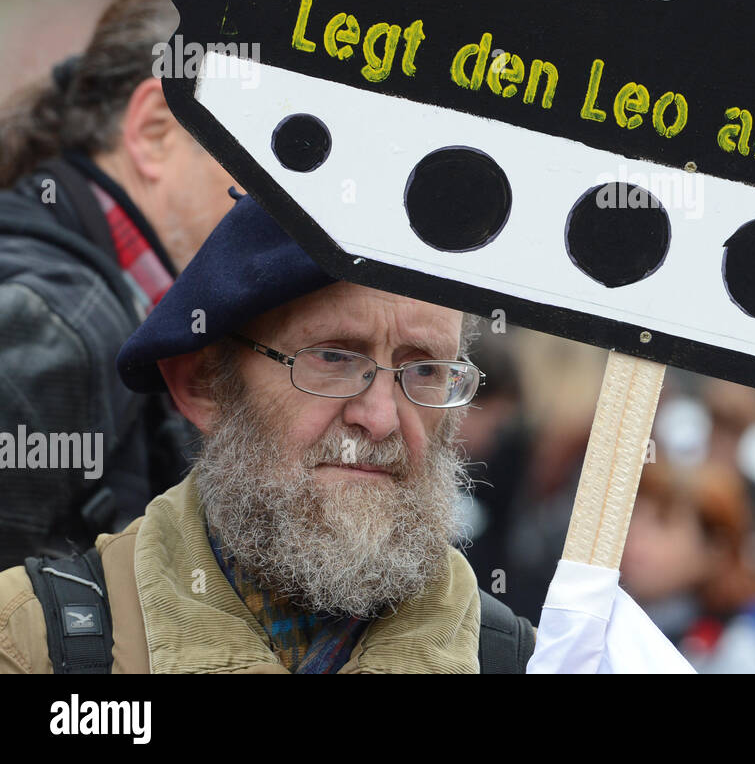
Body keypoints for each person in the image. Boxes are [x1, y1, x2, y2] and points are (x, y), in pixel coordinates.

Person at [0, 191, 538, 673]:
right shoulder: (35, 644)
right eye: (333, 357)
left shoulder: (536, 663)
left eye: (424, 370)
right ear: (206, 384)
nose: (380, 418)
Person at [0, 0, 239, 567]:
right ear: (154, 130)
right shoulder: (56, 333)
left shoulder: (100, 309)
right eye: (265, 153)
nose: (283, 200)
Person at [621, 459, 755, 673]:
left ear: (714, 549)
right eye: (634, 516)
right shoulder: (598, 613)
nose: (634, 535)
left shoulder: (735, 650)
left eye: (662, 522)